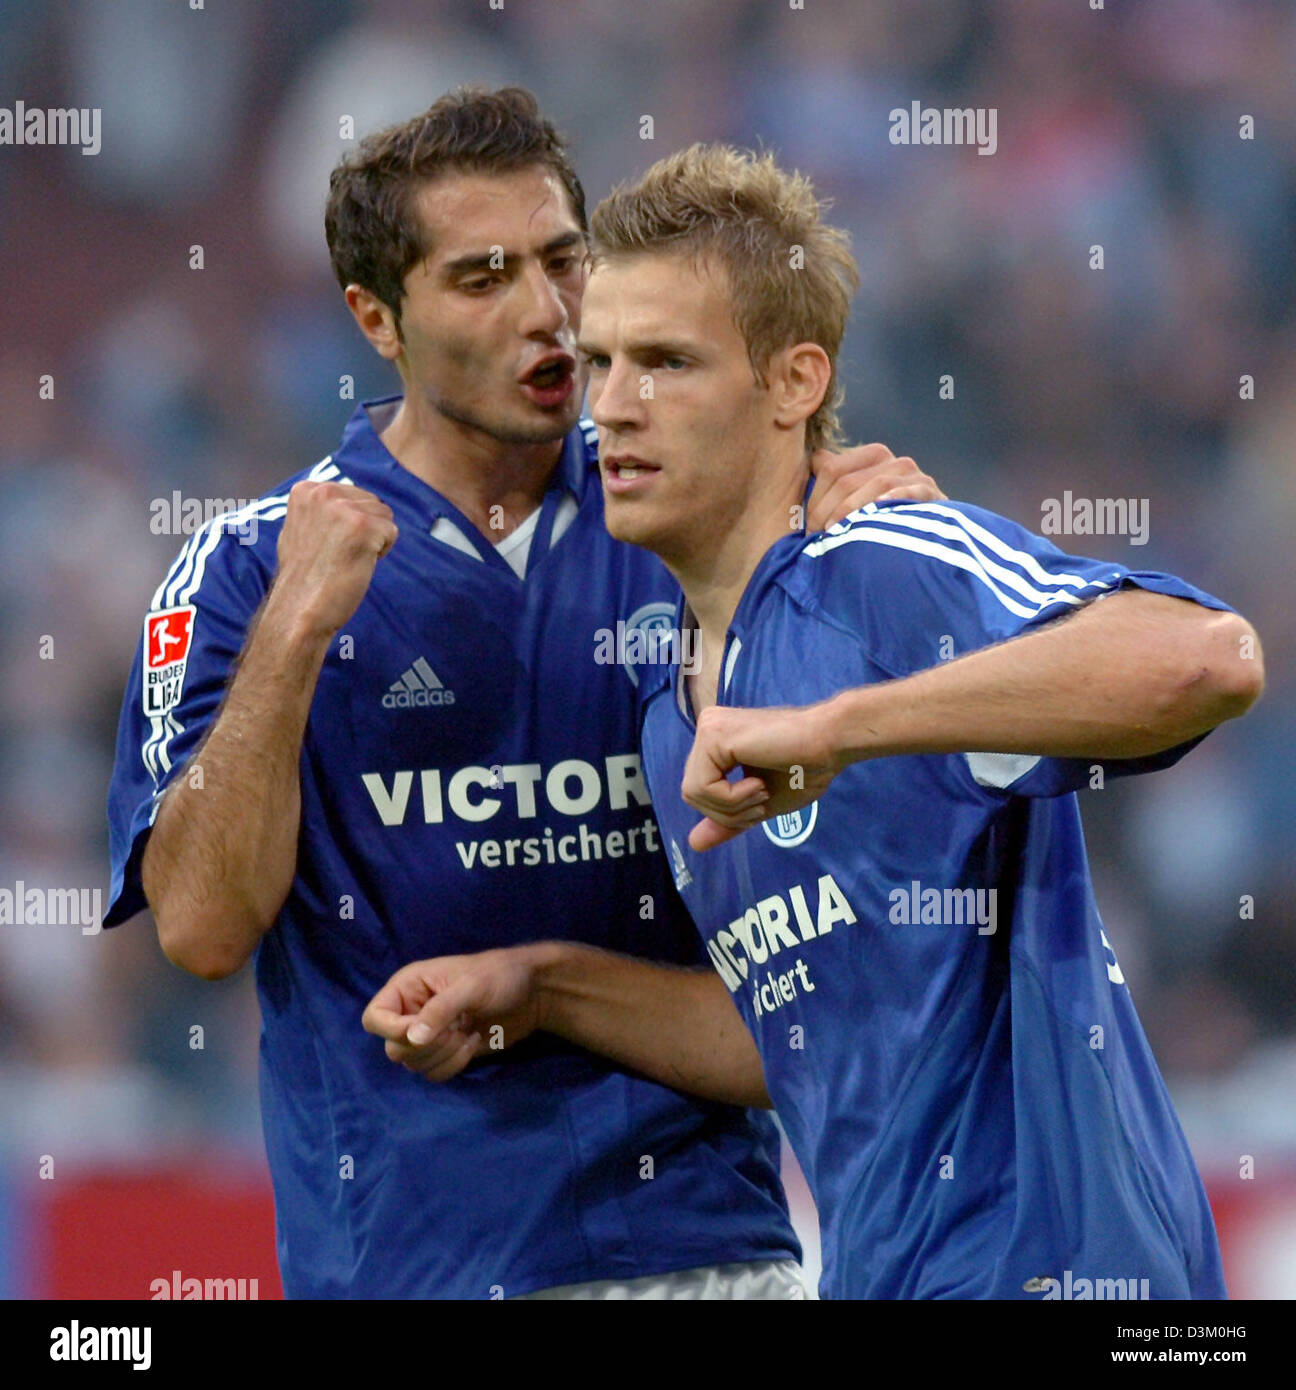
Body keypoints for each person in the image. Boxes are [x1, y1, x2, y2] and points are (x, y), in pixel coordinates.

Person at [368, 144, 1265, 1300]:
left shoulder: (880, 564)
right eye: (599, 362)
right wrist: (542, 985)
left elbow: (1208, 657)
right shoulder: (669, 704)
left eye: (666, 363)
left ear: (794, 384)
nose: (614, 407)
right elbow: (785, 1033)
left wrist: (841, 725)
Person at [104, 89, 942, 1300]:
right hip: (409, 1265)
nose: (549, 314)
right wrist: (296, 629)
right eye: (483, 277)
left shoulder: (703, 510)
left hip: (706, 1249)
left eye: (564, 259)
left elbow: (838, 967)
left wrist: (879, 551)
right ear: (376, 318)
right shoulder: (245, 569)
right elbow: (201, 926)